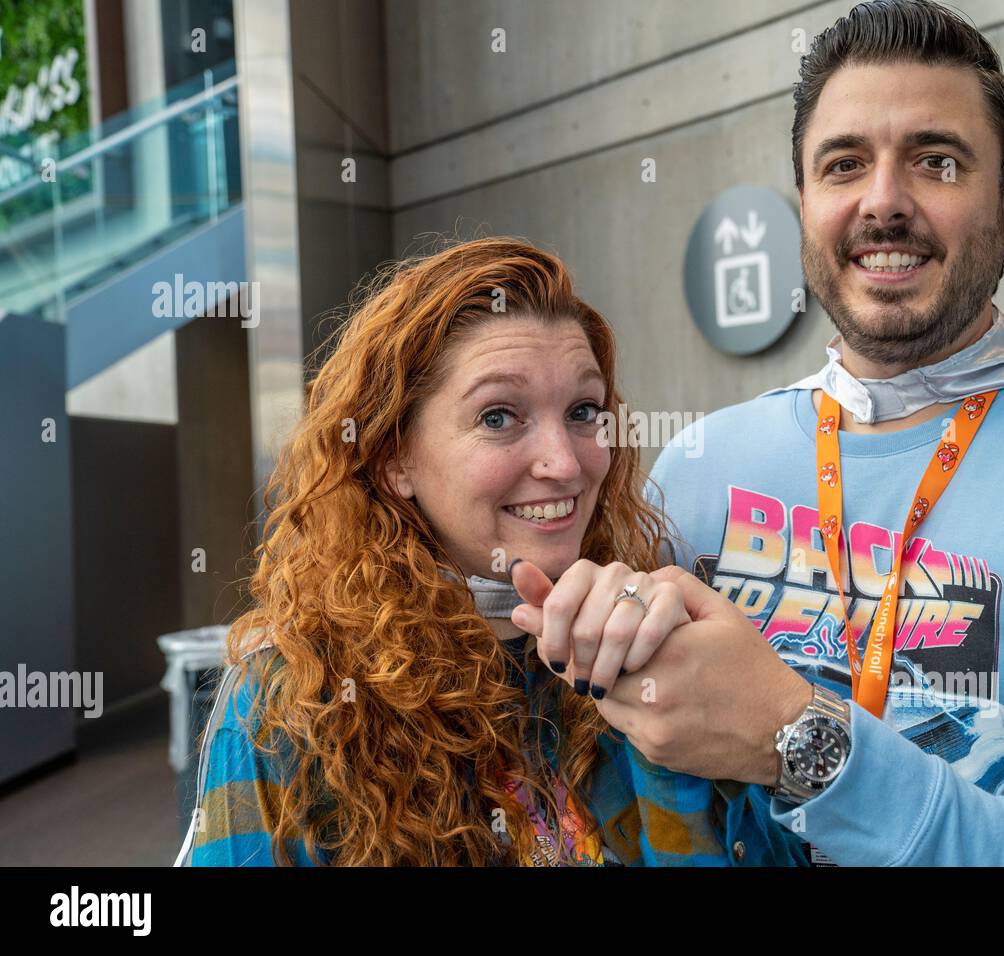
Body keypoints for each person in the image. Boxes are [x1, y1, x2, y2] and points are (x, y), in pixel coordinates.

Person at [513, 0, 1004, 866]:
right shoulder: (691, 470)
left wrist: (801, 741)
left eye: (936, 162)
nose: (883, 203)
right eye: (843, 166)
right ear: (805, 204)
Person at [175, 236, 805, 866]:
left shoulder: (647, 650)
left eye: (584, 411)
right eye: (499, 417)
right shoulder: (293, 697)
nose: (564, 463)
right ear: (395, 459)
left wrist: (695, 727)